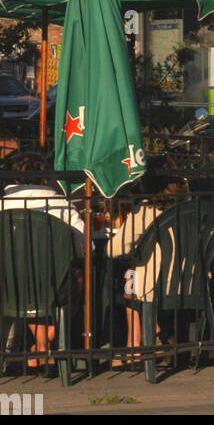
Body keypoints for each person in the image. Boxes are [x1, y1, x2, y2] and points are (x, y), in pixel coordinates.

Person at [0, 152, 85, 367]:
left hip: (8, 285)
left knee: (26, 286)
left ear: (15, 178)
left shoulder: (3, 205)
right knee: (77, 280)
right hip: (52, 285)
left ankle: (40, 345)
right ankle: (47, 339)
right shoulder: (61, 204)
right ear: (45, 177)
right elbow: (85, 247)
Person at [104, 159, 189, 365]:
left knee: (129, 279)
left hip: (155, 283)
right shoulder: (190, 205)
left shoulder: (145, 210)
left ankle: (135, 345)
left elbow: (113, 250)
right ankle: (159, 329)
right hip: (191, 278)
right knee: (132, 278)